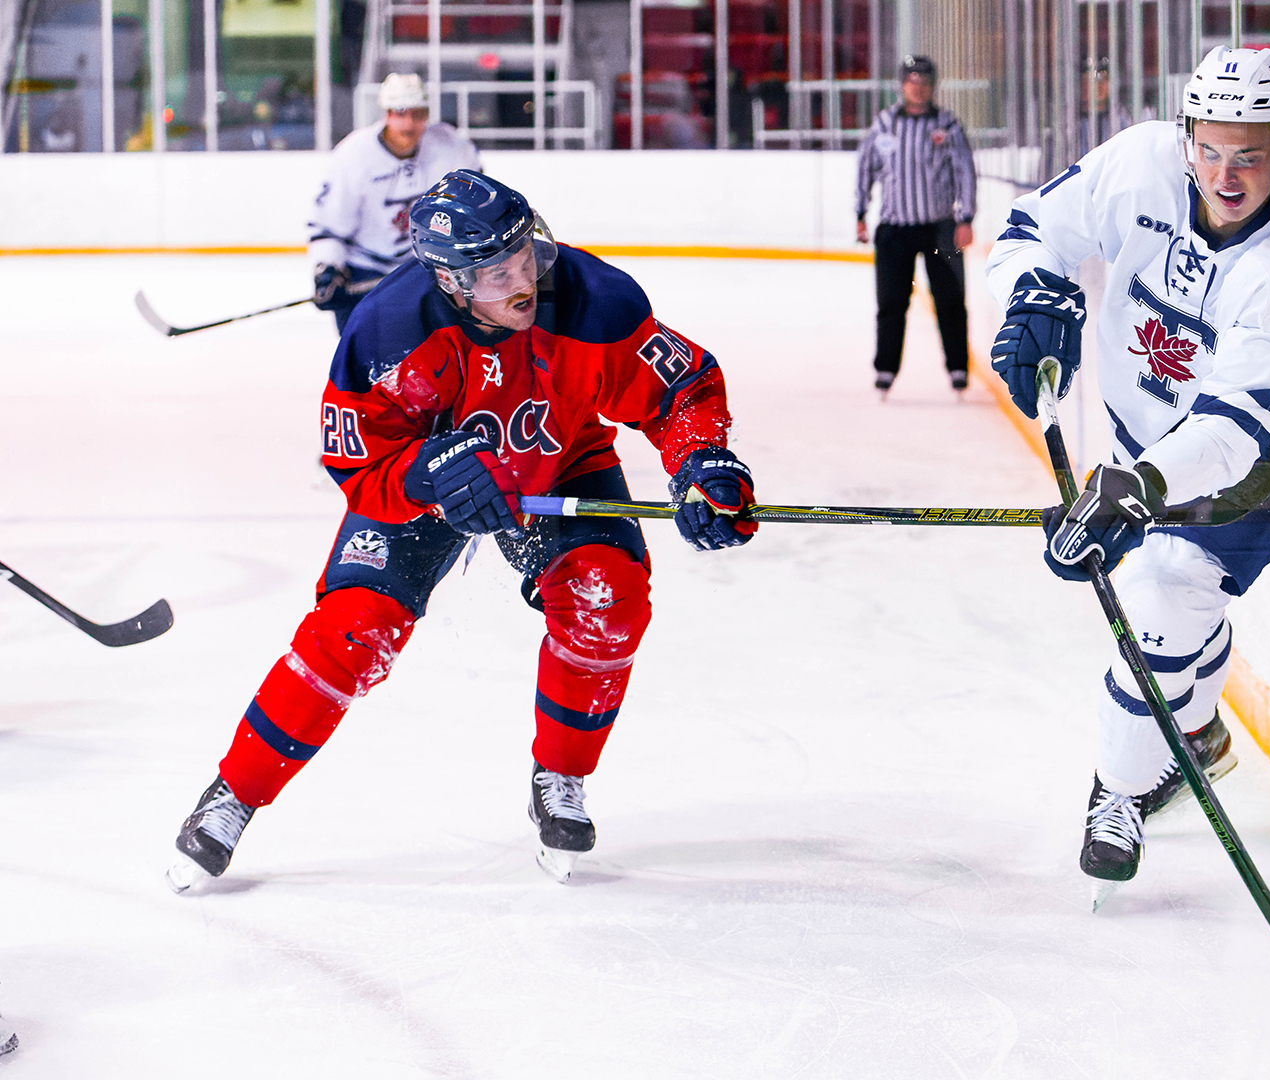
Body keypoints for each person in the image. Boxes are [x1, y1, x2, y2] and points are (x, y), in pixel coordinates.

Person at [168, 170, 758, 891]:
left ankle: (561, 780)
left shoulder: (594, 302)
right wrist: (424, 476)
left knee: (611, 599)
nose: (523, 281)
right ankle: (233, 794)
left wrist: (704, 462)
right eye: (496, 272)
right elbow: (355, 460)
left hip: (560, 459)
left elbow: (679, 388)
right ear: (450, 281)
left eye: (524, 255)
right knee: (354, 629)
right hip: (427, 487)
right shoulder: (390, 330)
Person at [986, 46, 1270, 891]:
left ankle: (1117, 788)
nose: (1227, 176)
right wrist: (1033, 294)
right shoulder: (1140, 162)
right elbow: (1032, 230)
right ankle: (1193, 734)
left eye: (1251, 157)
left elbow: (1229, 432)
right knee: (1171, 600)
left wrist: (1138, 490)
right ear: (1188, 134)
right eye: (1212, 150)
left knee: (1166, 591)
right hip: (1150, 430)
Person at [308, 73, 482, 333]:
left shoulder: (452, 148)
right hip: (364, 270)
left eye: (417, 113)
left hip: (426, 271)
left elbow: (475, 209)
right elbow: (329, 224)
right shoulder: (354, 155)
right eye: (400, 113)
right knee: (363, 362)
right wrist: (328, 270)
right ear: (386, 113)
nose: (409, 123)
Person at [854, 55, 979, 398]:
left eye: (925, 82)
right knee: (891, 302)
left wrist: (965, 217)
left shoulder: (947, 125)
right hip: (895, 229)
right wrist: (860, 213)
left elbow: (964, 171)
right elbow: (865, 167)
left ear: (932, 86)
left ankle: (957, 367)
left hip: (940, 227)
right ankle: (885, 369)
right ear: (902, 84)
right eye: (913, 81)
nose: (919, 88)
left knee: (951, 300)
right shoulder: (883, 125)